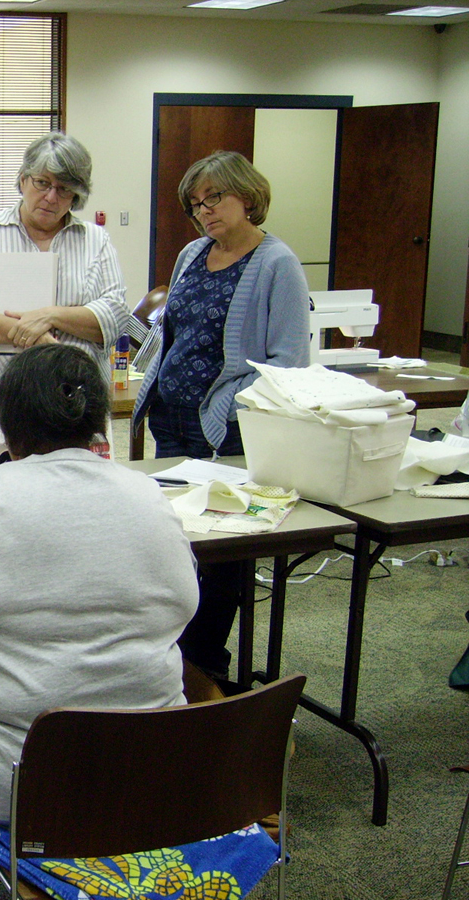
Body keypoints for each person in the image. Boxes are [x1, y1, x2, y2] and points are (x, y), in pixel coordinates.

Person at [0, 344, 198, 898]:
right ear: (99, 422)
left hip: (9, 781)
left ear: (7, 428)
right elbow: (180, 602)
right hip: (152, 775)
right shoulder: (151, 496)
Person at [132, 150, 310, 679]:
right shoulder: (191, 253)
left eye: (215, 198)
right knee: (176, 543)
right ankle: (173, 661)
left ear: (248, 197)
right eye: (195, 204)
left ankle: (205, 665)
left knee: (222, 551)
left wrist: (229, 403)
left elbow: (288, 363)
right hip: (171, 417)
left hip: (226, 428)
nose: (205, 211)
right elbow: (173, 332)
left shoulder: (277, 263)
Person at [0, 131, 127, 407]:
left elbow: (115, 314)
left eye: (63, 189)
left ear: (76, 196)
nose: (50, 197)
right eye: (42, 183)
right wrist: (32, 334)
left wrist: (50, 315)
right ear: (23, 180)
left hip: (71, 402)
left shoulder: (95, 241)